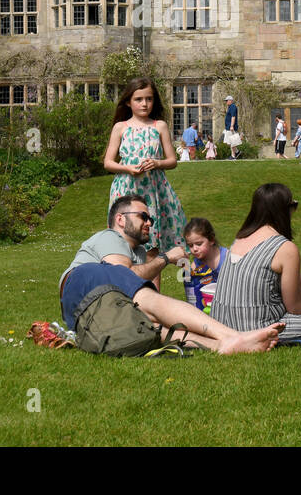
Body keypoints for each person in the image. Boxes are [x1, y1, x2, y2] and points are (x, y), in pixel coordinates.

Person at [59, 195, 284, 354]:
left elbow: (152, 305)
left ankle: (222, 346)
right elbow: (126, 275)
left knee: (150, 325)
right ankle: (232, 335)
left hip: (89, 313)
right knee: (151, 304)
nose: (149, 223)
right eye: (143, 216)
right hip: (82, 284)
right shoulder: (110, 237)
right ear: (120, 219)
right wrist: (165, 258)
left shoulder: (138, 252)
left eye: (151, 219)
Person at [212, 183, 301, 342]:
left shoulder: (240, 238)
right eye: (293, 205)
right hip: (259, 326)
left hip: (223, 323)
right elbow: (295, 307)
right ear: (283, 211)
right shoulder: (285, 247)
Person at [103, 78, 187, 264]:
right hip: (125, 188)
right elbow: (108, 162)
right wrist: (127, 168)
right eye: (138, 99)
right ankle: (127, 287)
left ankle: (152, 290)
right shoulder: (120, 128)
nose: (144, 103)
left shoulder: (159, 126)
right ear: (128, 102)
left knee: (151, 242)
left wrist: (157, 164)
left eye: (149, 99)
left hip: (153, 189)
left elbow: (172, 160)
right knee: (123, 240)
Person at [182, 217, 228, 311]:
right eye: (190, 245)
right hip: (206, 308)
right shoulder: (195, 266)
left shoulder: (227, 258)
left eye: (199, 244)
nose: (194, 249)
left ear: (211, 240)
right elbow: (191, 291)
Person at [223, 95, 241, 159]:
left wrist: (232, 126)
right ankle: (237, 151)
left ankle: (233, 155)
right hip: (228, 127)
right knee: (229, 142)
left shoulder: (233, 106)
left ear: (230, 101)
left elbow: (233, 116)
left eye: (227, 101)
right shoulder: (230, 107)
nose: (226, 102)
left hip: (231, 127)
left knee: (232, 141)